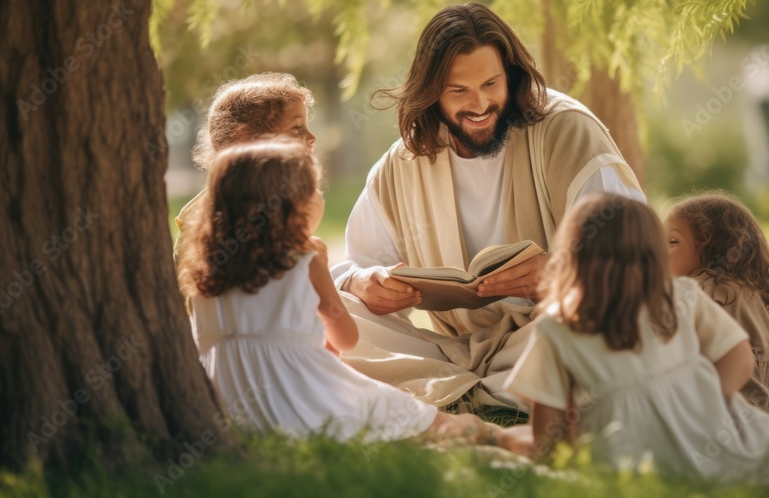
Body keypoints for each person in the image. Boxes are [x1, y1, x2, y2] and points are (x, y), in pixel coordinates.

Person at [331, 3, 645, 409]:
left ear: (511, 77)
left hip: (549, 332)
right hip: (454, 348)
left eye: (491, 85)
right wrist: (365, 283)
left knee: (608, 321)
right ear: (430, 94)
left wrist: (568, 271)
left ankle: (453, 390)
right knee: (330, 311)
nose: (479, 105)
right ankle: (499, 389)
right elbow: (357, 265)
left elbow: (636, 252)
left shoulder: (568, 131)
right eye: (458, 91)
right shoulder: (402, 163)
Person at [505, 194, 769, 482]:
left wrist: (558, 464)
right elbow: (739, 355)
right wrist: (711, 399)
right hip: (713, 415)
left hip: (630, 441)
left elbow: (549, 423)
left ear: (572, 260)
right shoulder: (681, 295)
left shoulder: (558, 328)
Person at [176, 140, 529, 451]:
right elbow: (345, 337)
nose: (320, 196)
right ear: (292, 206)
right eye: (313, 189)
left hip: (227, 396)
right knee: (408, 414)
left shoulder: (204, 273)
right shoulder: (306, 259)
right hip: (300, 391)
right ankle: (499, 439)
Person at [666, 192, 769, 427]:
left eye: (672, 242)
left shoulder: (699, 288)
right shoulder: (760, 292)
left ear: (712, 250)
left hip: (746, 403)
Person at [174, 72, 318, 262]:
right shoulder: (218, 218)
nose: (312, 138)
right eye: (296, 128)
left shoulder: (274, 200)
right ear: (248, 138)